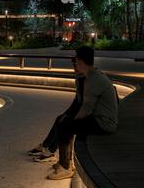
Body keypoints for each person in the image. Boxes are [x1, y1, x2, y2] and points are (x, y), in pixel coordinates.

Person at [48, 46, 119, 180]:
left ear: (80, 61)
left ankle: (66, 167)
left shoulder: (93, 80)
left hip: (104, 123)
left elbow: (86, 109)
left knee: (65, 125)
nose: (74, 63)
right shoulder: (92, 75)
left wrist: (70, 120)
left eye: (76, 60)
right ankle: (65, 162)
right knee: (65, 121)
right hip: (100, 118)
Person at [28, 62, 85, 165]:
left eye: (76, 66)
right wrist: (66, 114)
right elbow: (77, 101)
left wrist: (71, 117)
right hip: (83, 109)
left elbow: (83, 103)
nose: (74, 69)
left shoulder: (84, 79)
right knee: (60, 118)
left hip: (90, 114)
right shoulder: (80, 78)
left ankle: (51, 152)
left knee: (63, 122)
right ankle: (46, 146)